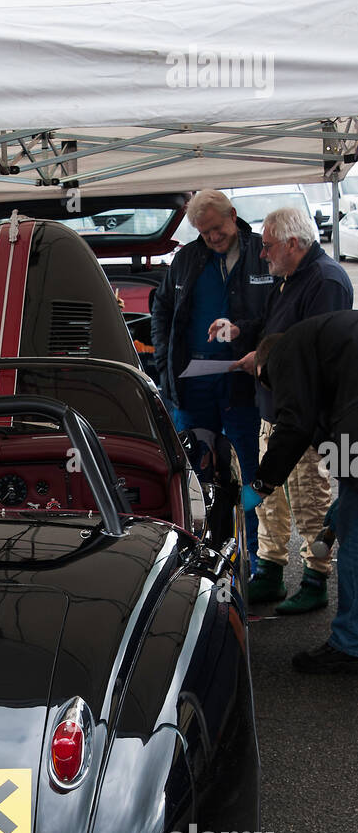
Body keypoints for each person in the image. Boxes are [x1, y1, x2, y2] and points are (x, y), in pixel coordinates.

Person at [218, 205, 353, 613]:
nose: (263, 254)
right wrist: (245, 333)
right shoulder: (288, 278)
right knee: (271, 500)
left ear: (293, 244)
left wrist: (262, 357)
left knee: (311, 498)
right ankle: (271, 572)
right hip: (272, 406)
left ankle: (315, 577)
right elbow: (273, 328)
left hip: (305, 418)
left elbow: (310, 354)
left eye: (269, 245)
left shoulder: (326, 280)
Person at [150, 190, 271, 568]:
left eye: (216, 229)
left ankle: (248, 562)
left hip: (242, 383)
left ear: (233, 215)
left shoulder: (262, 254)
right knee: (195, 475)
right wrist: (164, 359)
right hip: (193, 384)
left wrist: (244, 332)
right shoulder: (186, 259)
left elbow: (278, 316)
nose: (212, 238)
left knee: (246, 472)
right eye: (204, 233)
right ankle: (201, 558)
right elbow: (162, 311)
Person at [243, 312, 358, 672]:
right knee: (350, 510)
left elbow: (295, 424)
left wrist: (259, 487)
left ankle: (349, 644)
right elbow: (325, 423)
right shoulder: (325, 348)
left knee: (354, 539)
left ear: (265, 365)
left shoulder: (285, 352)